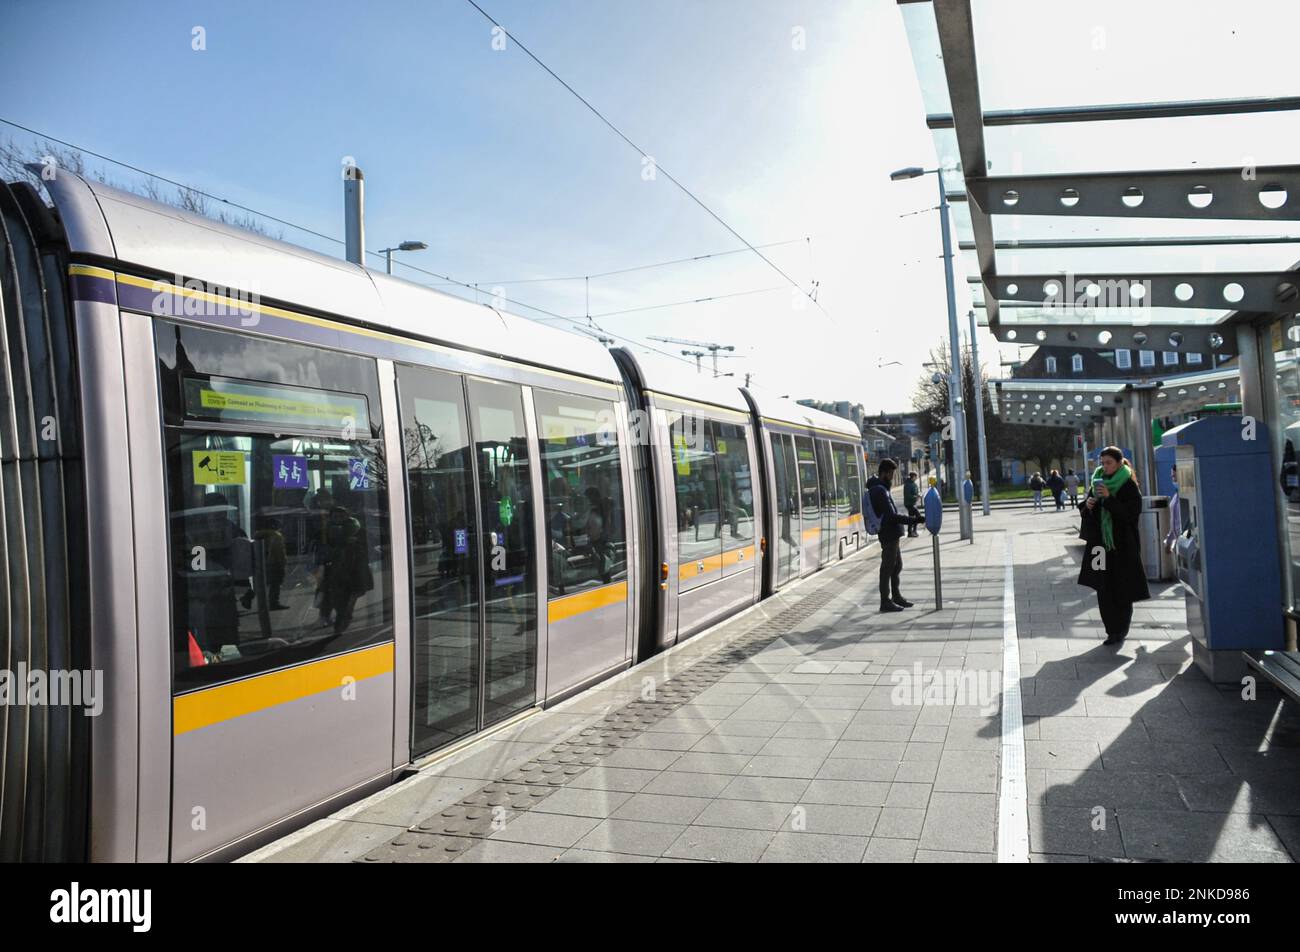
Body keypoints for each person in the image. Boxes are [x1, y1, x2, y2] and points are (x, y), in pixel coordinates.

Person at [1077, 446, 1150, 646]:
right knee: (1103, 587)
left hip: (1122, 547)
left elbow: (1129, 514)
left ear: (1119, 463)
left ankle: (1121, 629)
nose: (1105, 466)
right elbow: (1086, 511)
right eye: (1102, 463)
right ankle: (1111, 630)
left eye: (1109, 462)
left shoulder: (1128, 485)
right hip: (1099, 547)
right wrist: (1088, 506)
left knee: (1122, 587)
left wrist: (1108, 499)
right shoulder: (1097, 482)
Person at [866, 458, 921, 613]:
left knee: (897, 566)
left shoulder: (882, 489)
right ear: (884, 473)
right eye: (890, 474)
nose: (892, 477)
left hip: (891, 534)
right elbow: (891, 516)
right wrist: (913, 520)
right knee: (887, 568)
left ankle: (896, 597)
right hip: (888, 534)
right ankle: (885, 601)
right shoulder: (880, 491)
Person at [1164, 465, 1182, 554]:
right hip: (1179, 542)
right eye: (1172, 477)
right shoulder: (1176, 496)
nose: (1173, 480)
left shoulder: (1185, 497)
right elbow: (1174, 523)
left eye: (1175, 476)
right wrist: (1169, 541)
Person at [903, 471, 920, 538]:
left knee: (912, 517)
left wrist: (918, 495)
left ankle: (911, 532)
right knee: (918, 516)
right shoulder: (907, 484)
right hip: (909, 504)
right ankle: (913, 531)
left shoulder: (914, 484)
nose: (916, 478)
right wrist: (916, 497)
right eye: (915, 476)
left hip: (913, 503)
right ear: (913, 477)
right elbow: (908, 495)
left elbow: (915, 492)